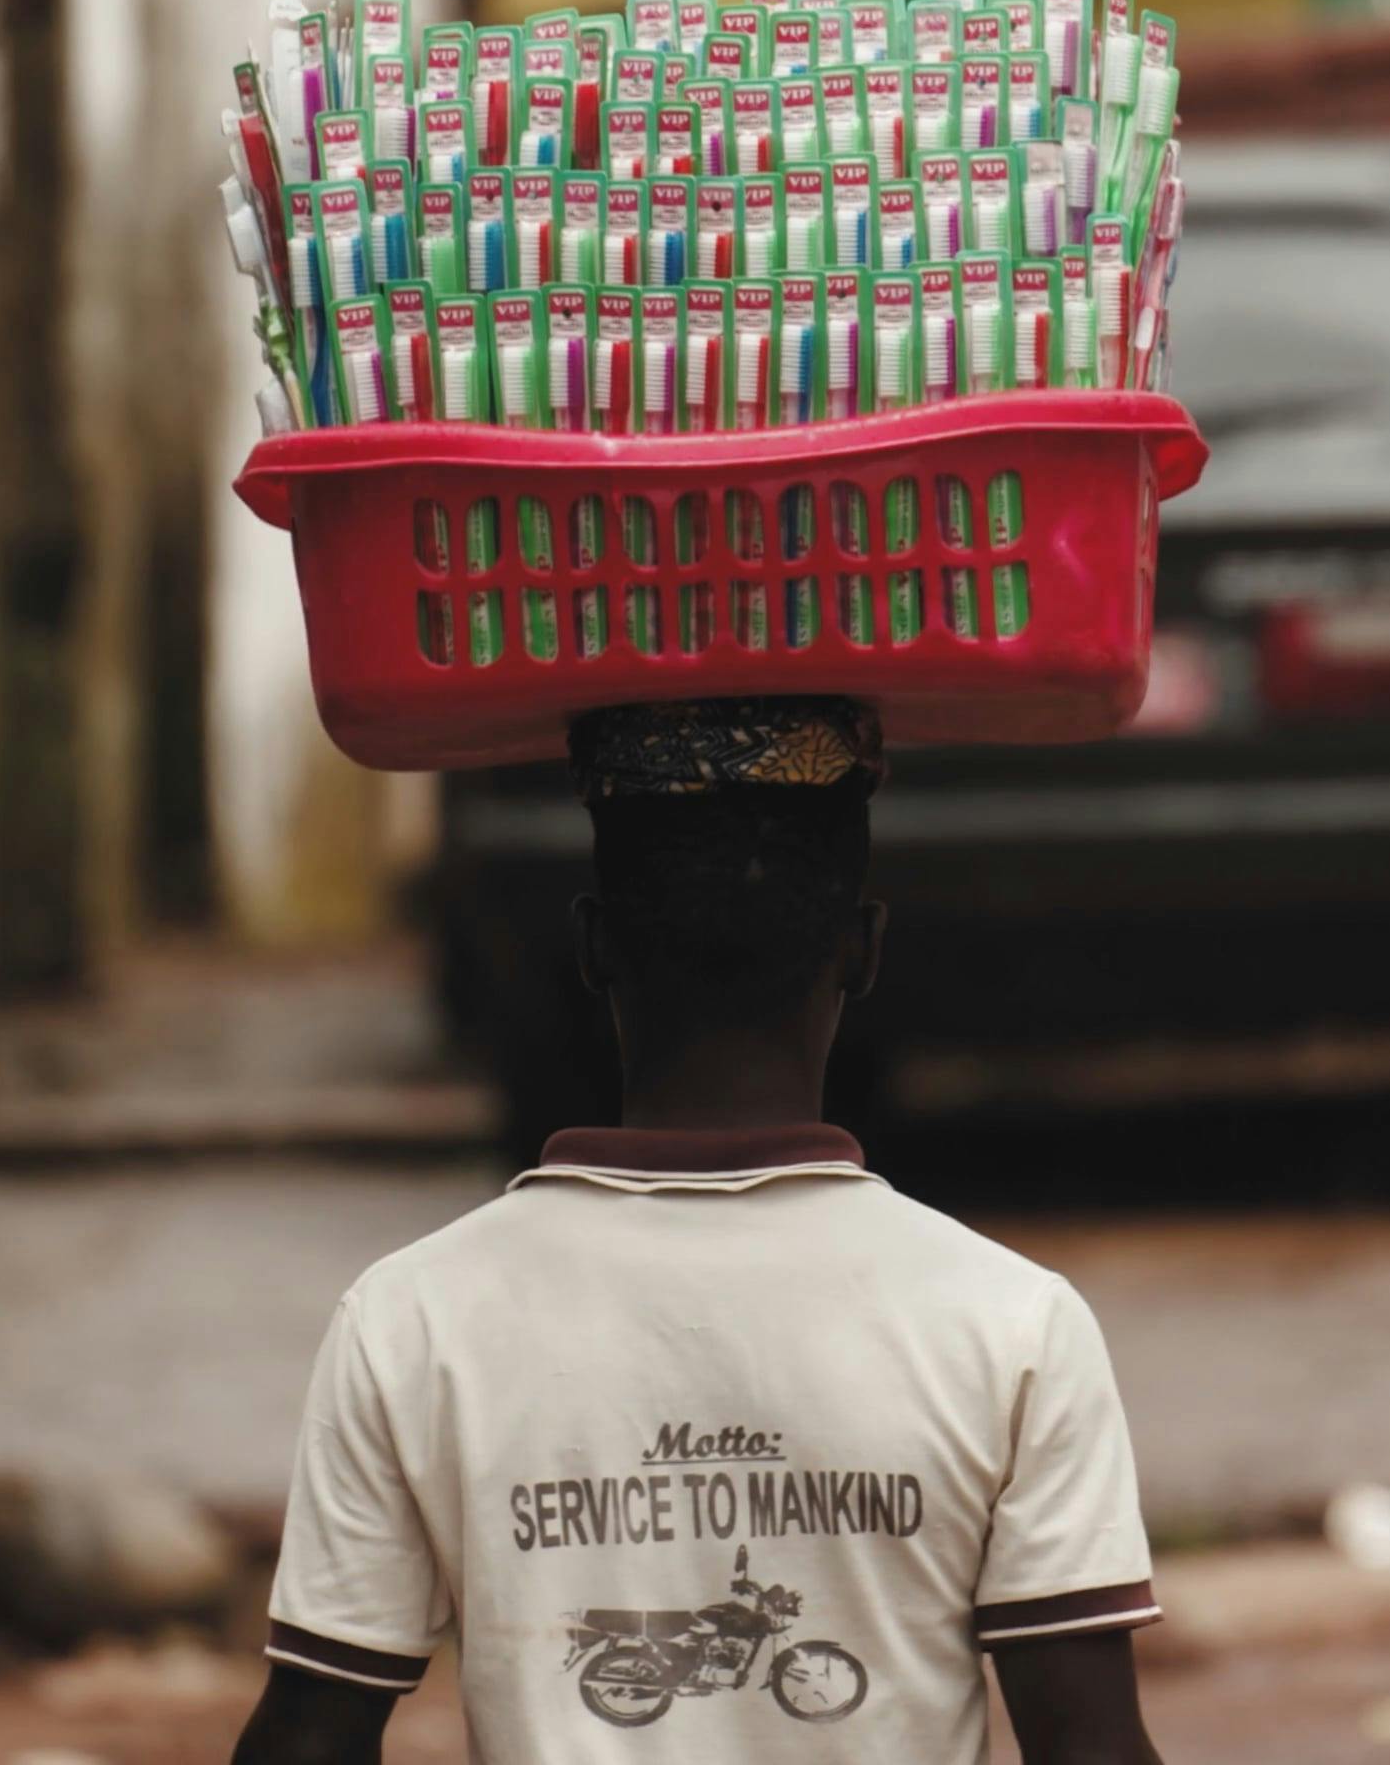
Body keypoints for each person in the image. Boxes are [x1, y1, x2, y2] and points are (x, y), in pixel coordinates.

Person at [228, 698, 1166, 1765]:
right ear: (862, 952)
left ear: (591, 946)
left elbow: (310, 1733)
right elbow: (1092, 1746)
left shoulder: (410, 1317)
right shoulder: (1013, 1323)